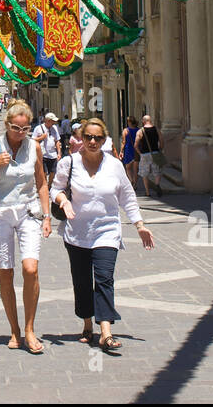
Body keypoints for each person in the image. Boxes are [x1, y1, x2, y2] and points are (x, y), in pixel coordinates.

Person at [51, 117, 155, 352]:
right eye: (88, 137)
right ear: (81, 138)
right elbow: (55, 189)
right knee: (82, 281)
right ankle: (87, 323)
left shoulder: (114, 166)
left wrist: (139, 225)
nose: (93, 141)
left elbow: (127, 197)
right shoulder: (69, 163)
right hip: (77, 232)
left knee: (105, 278)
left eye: (98, 138)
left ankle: (105, 331)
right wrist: (63, 200)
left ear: (105, 140)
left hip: (107, 231)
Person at [0, 99, 51, 353]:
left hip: (28, 211)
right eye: (16, 128)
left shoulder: (34, 148)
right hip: (1, 212)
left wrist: (47, 215)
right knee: (6, 272)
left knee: (31, 268)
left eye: (25, 128)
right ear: (6, 125)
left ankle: (29, 329)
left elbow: (41, 183)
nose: (20, 133)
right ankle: (14, 330)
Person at [135, 115, 164, 197]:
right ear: (150, 121)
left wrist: (140, 153)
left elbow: (135, 145)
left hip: (145, 154)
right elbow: (161, 140)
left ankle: (147, 192)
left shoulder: (140, 131)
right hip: (155, 152)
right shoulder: (156, 129)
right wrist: (160, 149)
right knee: (157, 171)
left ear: (143, 121)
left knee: (145, 173)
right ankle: (157, 184)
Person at [119, 116, 141, 195]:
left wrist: (121, 151)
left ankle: (131, 180)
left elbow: (123, 142)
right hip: (136, 149)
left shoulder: (126, 130)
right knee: (136, 168)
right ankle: (135, 184)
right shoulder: (139, 130)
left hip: (128, 149)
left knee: (128, 168)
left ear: (129, 122)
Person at [39, 111, 62, 184]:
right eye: (53, 121)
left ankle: (49, 185)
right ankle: (45, 185)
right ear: (48, 121)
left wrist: (59, 153)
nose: (54, 123)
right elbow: (33, 141)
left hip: (53, 155)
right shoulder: (39, 128)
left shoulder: (54, 128)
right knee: (44, 172)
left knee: (53, 172)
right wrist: (41, 138)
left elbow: (57, 141)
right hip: (43, 154)